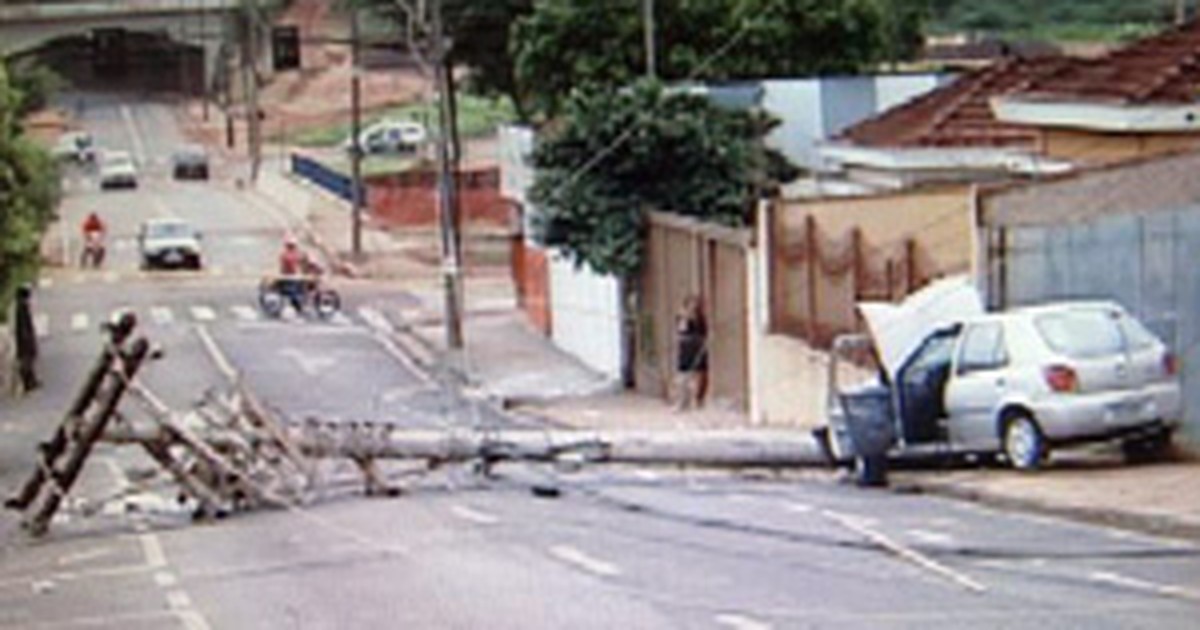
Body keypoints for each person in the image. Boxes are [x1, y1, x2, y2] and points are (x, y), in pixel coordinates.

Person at [673, 294, 708, 411]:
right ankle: (682, 401)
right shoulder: (682, 318)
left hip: (697, 348)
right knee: (683, 376)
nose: (692, 308)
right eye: (690, 305)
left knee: (698, 375)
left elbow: (704, 333)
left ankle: (696, 400)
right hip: (686, 350)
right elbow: (680, 332)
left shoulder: (700, 318)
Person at [277, 237, 315, 313]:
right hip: (291, 278)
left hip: (290, 276)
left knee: (308, 282)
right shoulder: (289, 255)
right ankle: (302, 303)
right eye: (292, 246)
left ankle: (303, 302)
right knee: (306, 284)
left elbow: (303, 260)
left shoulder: (288, 254)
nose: (294, 247)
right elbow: (294, 265)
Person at [13, 284, 39, 393]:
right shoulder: (22, 307)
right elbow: (24, 326)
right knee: (26, 360)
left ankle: (31, 381)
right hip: (25, 339)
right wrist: (28, 339)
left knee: (29, 359)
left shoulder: (21, 306)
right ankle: (28, 382)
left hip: (24, 338)